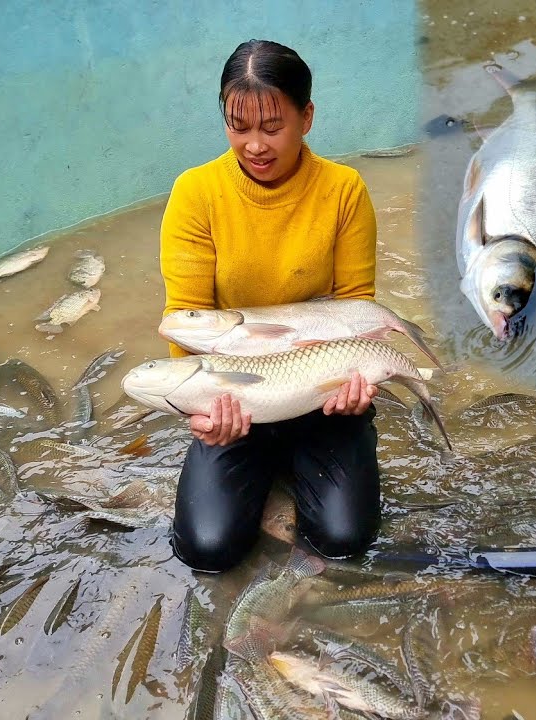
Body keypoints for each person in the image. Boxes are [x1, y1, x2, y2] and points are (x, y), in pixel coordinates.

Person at [159, 39, 382, 572]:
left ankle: (312, 454)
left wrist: (355, 386)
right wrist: (203, 409)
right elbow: (184, 319)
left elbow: (357, 311)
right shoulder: (196, 194)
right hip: (235, 399)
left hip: (323, 392)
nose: (254, 145)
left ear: (306, 118)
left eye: (271, 127)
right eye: (239, 126)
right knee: (206, 550)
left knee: (343, 539)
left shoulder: (344, 190)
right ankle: (264, 457)